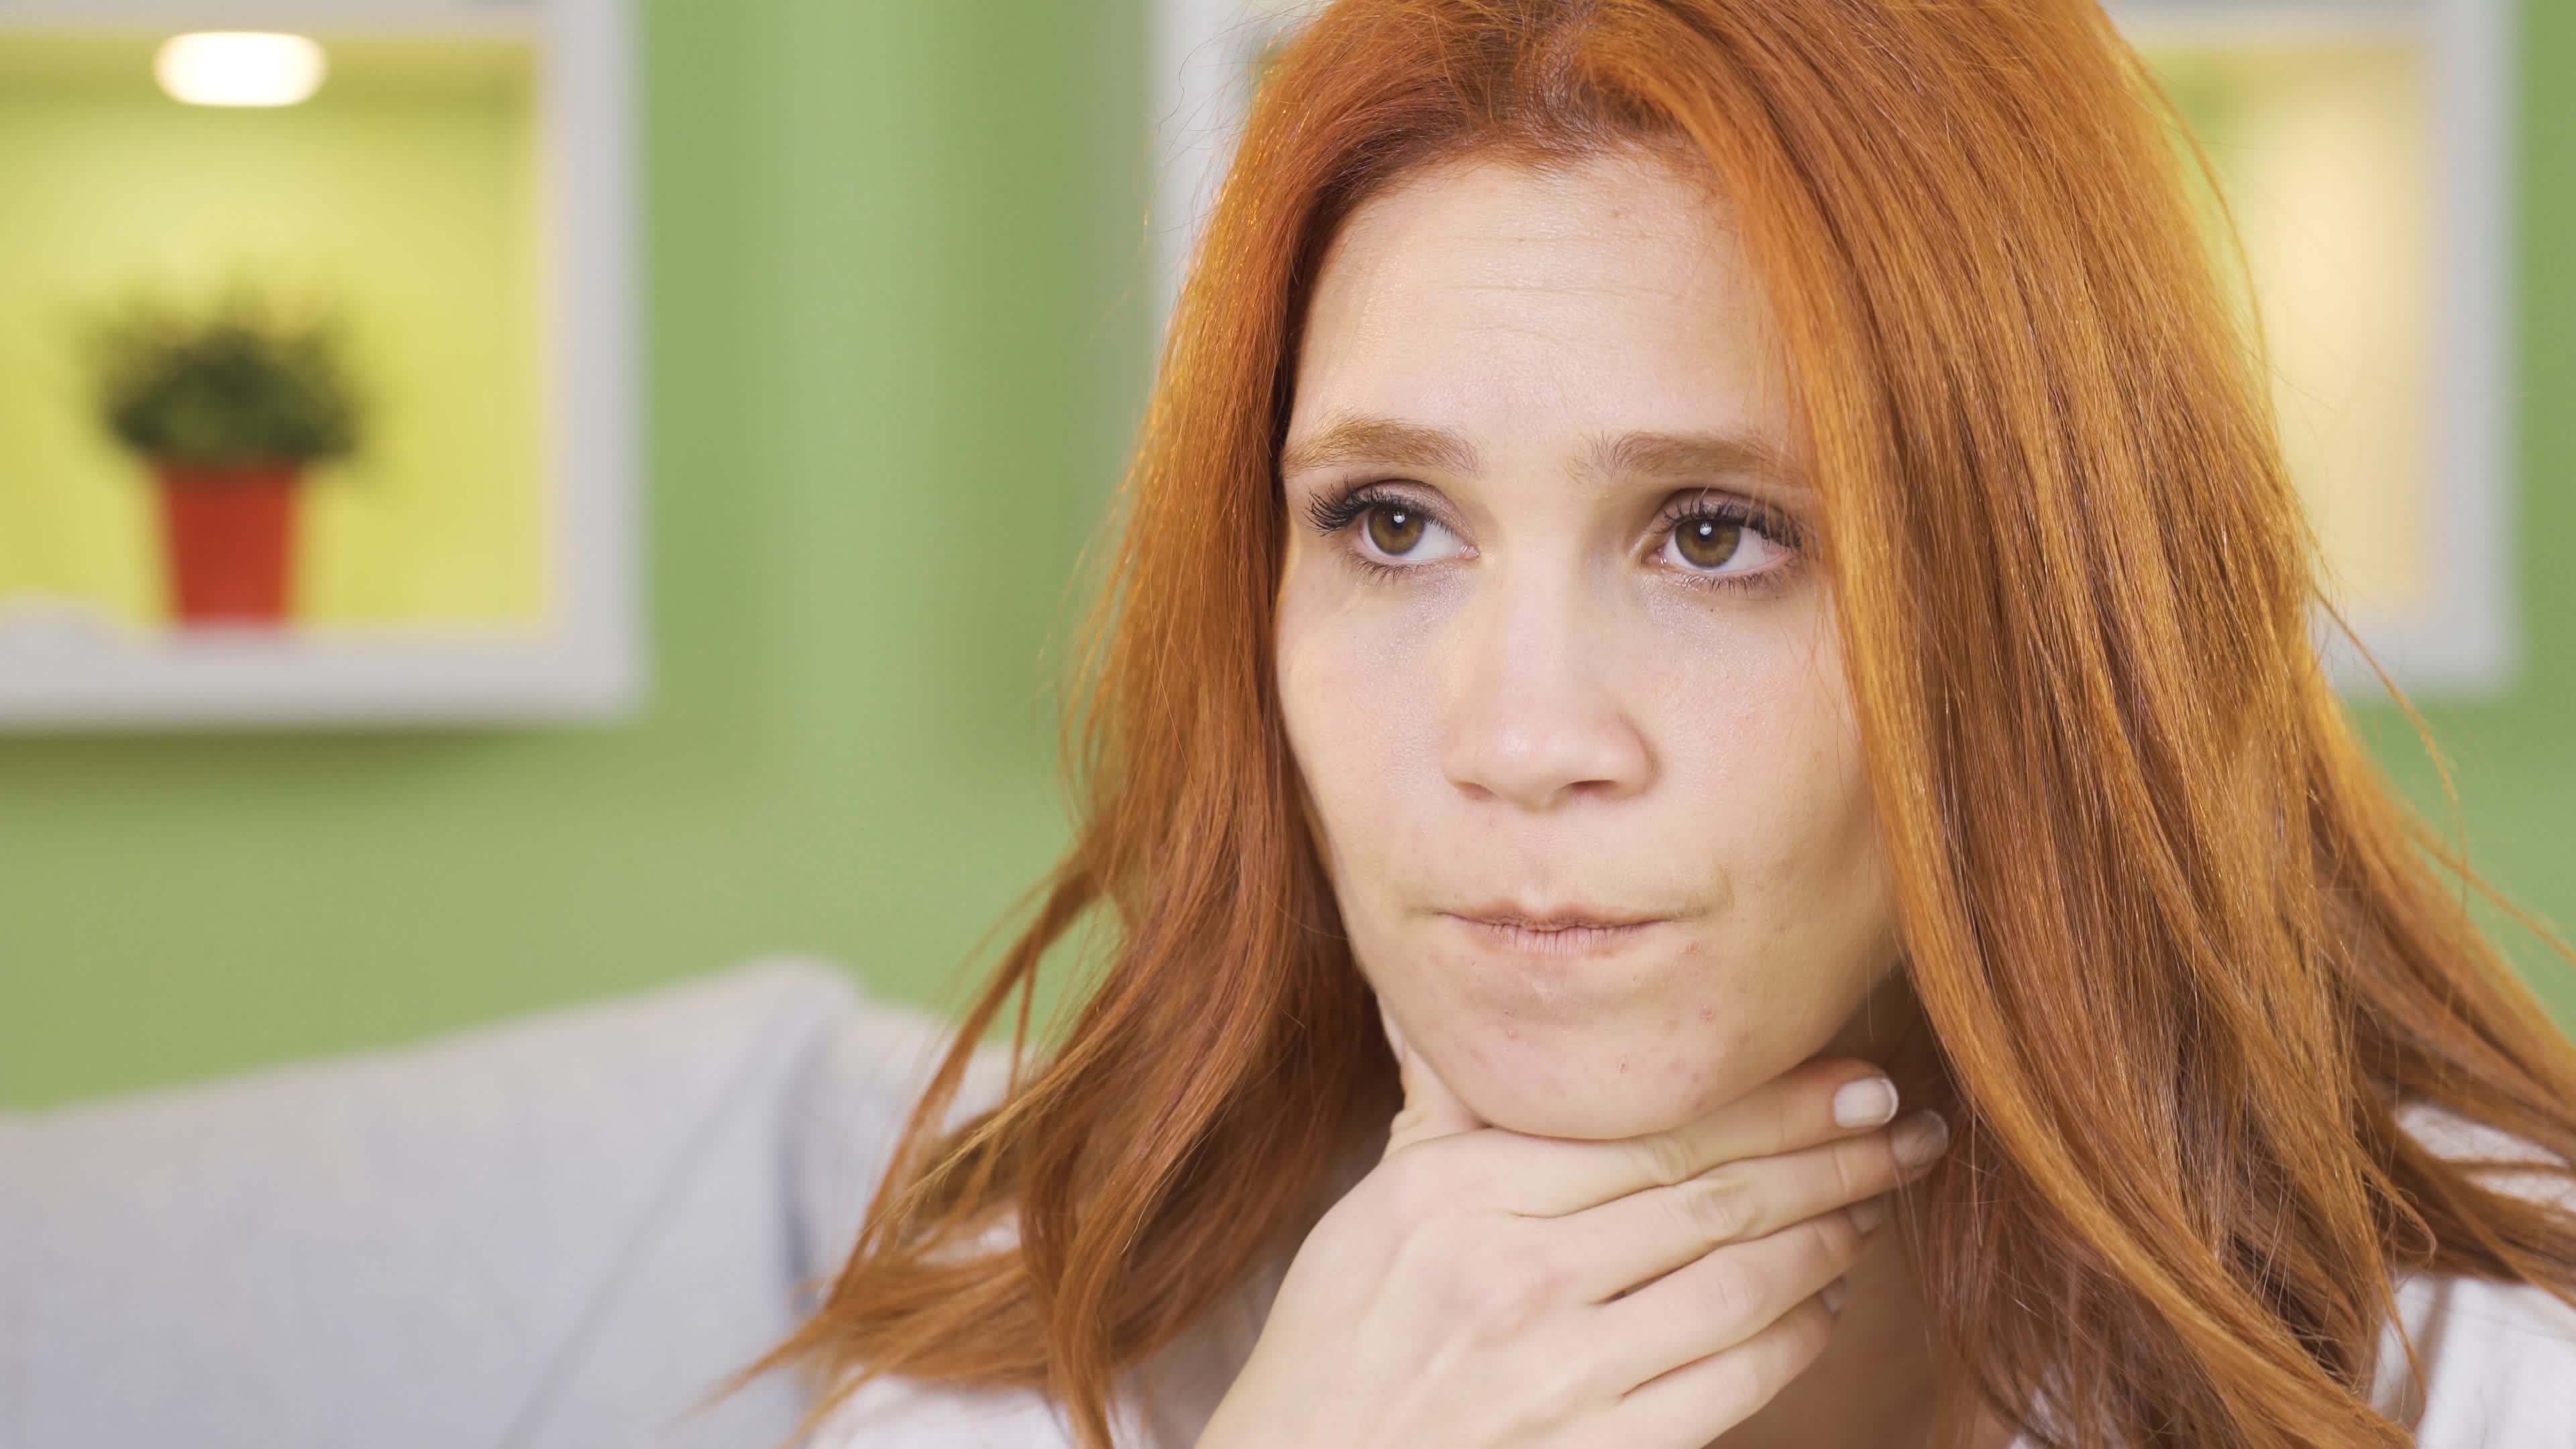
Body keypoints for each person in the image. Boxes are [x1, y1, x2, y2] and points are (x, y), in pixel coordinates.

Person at [721, 1, 2576, 1444]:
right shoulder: (1053, 1331)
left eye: (1716, 535)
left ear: (2039, 612)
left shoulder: (2480, 1363)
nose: (1523, 741)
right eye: (1389, 523)